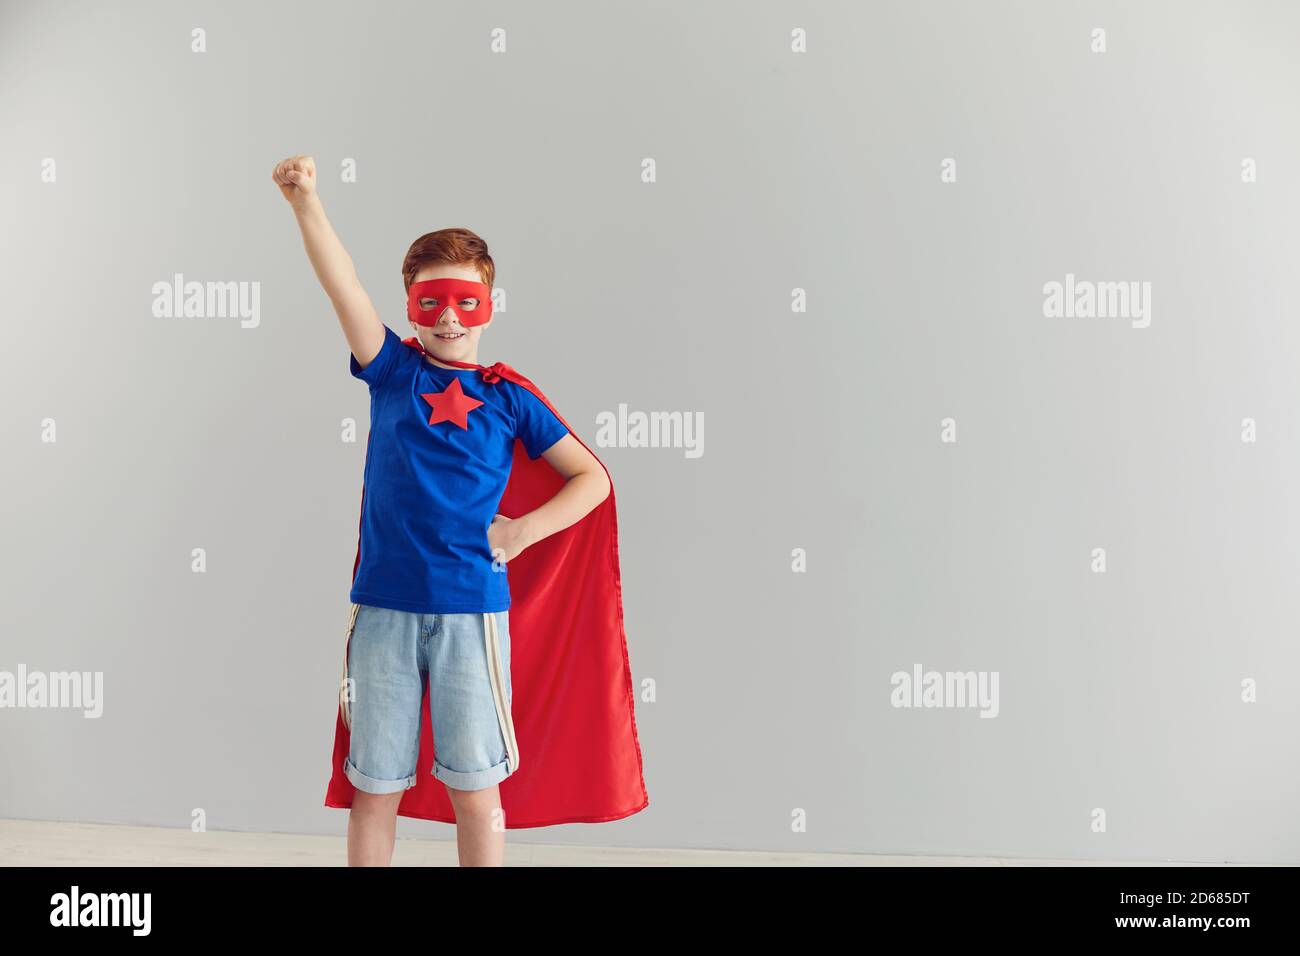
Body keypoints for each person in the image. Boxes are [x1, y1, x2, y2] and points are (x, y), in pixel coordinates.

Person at [272, 154, 613, 866]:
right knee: (376, 785)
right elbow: (345, 290)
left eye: (465, 301)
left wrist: (522, 531)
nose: (449, 318)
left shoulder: (509, 395)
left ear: (489, 303)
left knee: (477, 785)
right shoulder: (394, 370)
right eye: (431, 303)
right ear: (409, 307)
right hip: (384, 610)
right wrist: (306, 201)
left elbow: (591, 479)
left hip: (471, 612)